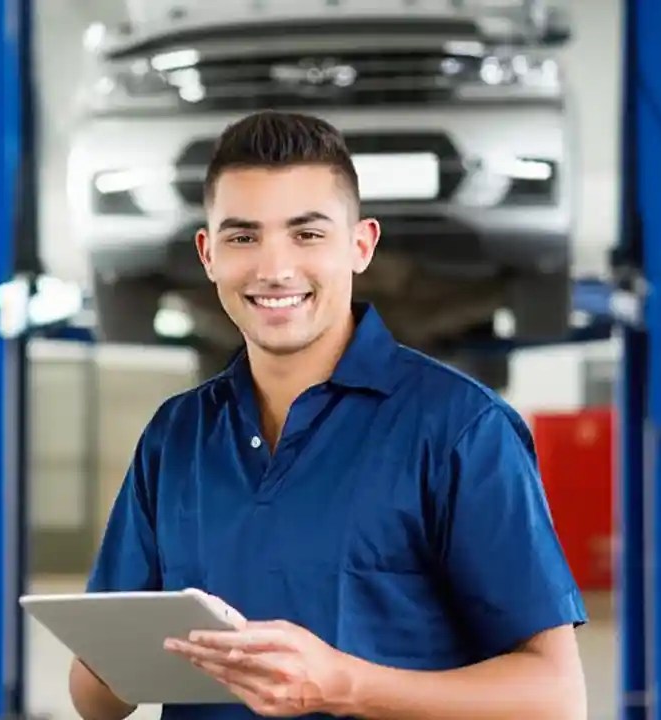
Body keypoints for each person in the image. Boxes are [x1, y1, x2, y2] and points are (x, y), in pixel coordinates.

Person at [69, 110, 588, 720]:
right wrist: (121, 664)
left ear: (360, 245)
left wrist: (343, 684)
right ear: (208, 254)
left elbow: (555, 698)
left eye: (307, 234)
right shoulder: (176, 436)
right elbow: (96, 700)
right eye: (243, 237)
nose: (274, 268)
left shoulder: (460, 430)